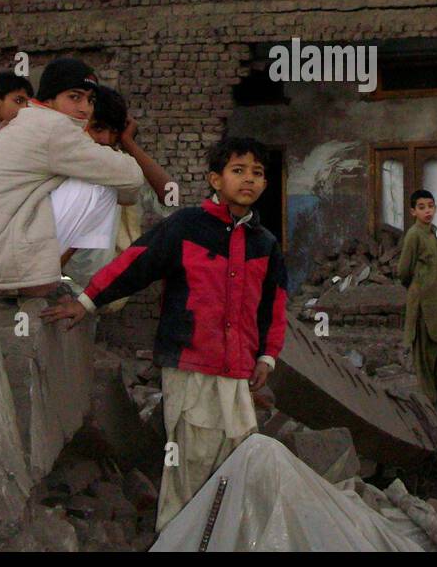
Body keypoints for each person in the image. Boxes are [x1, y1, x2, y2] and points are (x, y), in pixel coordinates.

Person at [42, 137, 288, 532]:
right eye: (238, 171)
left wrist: (267, 355)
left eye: (257, 173)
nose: (249, 180)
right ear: (215, 179)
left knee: (239, 451)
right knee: (189, 459)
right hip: (190, 364)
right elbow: (135, 263)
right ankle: (177, 536)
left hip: (237, 368)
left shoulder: (264, 244)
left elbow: (273, 305)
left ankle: (225, 537)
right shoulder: (187, 227)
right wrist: (86, 301)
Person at [0, 58, 146, 296]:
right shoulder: (54, 128)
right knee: (100, 186)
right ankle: (46, 284)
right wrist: (124, 192)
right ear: (49, 100)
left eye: (90, 100)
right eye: (74, 97)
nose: (85, 108)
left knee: (92, 177)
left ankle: (41, 279)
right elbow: (132, 177)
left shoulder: (27, 121)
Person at [58, 84, 176, 291]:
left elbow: (170, 198)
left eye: (113, 132)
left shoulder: (120, 171)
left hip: (94, 293)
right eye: (98, 128)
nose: (105, 139)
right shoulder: (59, 163)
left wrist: (128, 142)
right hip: (55, 284)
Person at [397, 189, 437, 417]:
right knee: (426, 353)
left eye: (431, 206)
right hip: (424, 305)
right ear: (413, 211)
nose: (427, 211)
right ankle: (432, 403)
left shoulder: (432, 234)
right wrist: (417, 289)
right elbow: (403, 271)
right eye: (422, 207)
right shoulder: (414, 235)